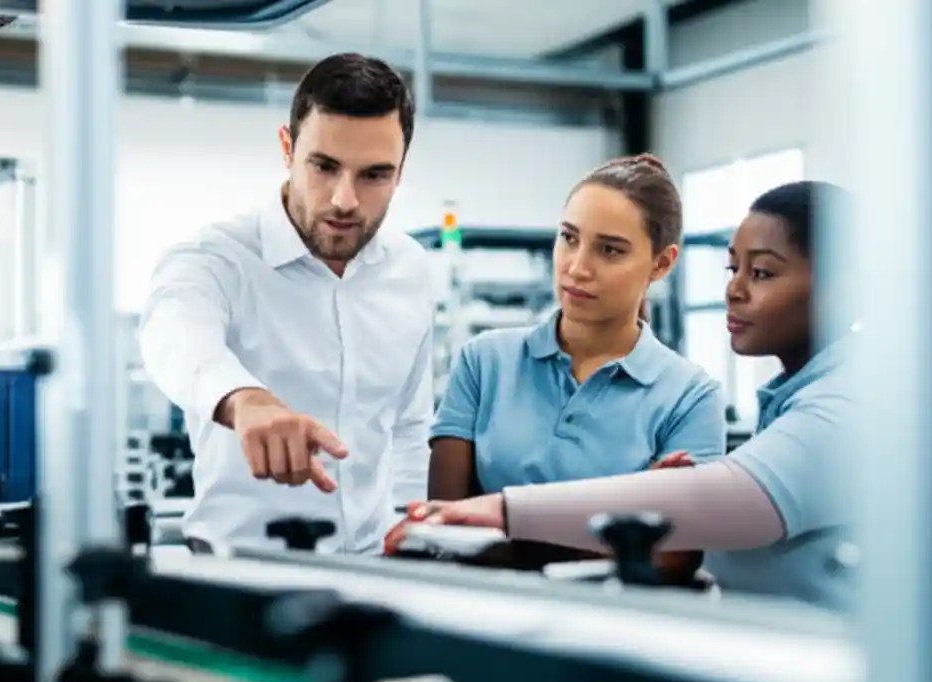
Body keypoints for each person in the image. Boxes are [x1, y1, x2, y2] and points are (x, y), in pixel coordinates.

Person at [387, 181, 854, 610]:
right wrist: (649, 507)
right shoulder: (792, 397)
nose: (733, 289)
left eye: (763, 273)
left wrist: (501, 511)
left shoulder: (849, 402)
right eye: (734, 268)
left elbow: (723, 508)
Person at [139, 53, 434, 554]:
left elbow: (407, 424)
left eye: (374, 175)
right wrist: (244, 399)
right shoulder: (216, 259)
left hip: (377, 574)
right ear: (287, 147)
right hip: (238, 578)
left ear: (401, 172)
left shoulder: (410, 268)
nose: (345, 199)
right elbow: (173, 339)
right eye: (324, 166)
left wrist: (410, 524)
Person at [388, 155, 727, 576]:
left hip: (609, 626)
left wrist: (503, 532)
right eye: (569, 238)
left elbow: (673, 559)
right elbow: (445, 530)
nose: (577, 267)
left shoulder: (690, 397)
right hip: (482, 615)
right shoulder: (485, 362)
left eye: (609, 250)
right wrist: (629, 513)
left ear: (661, 263)